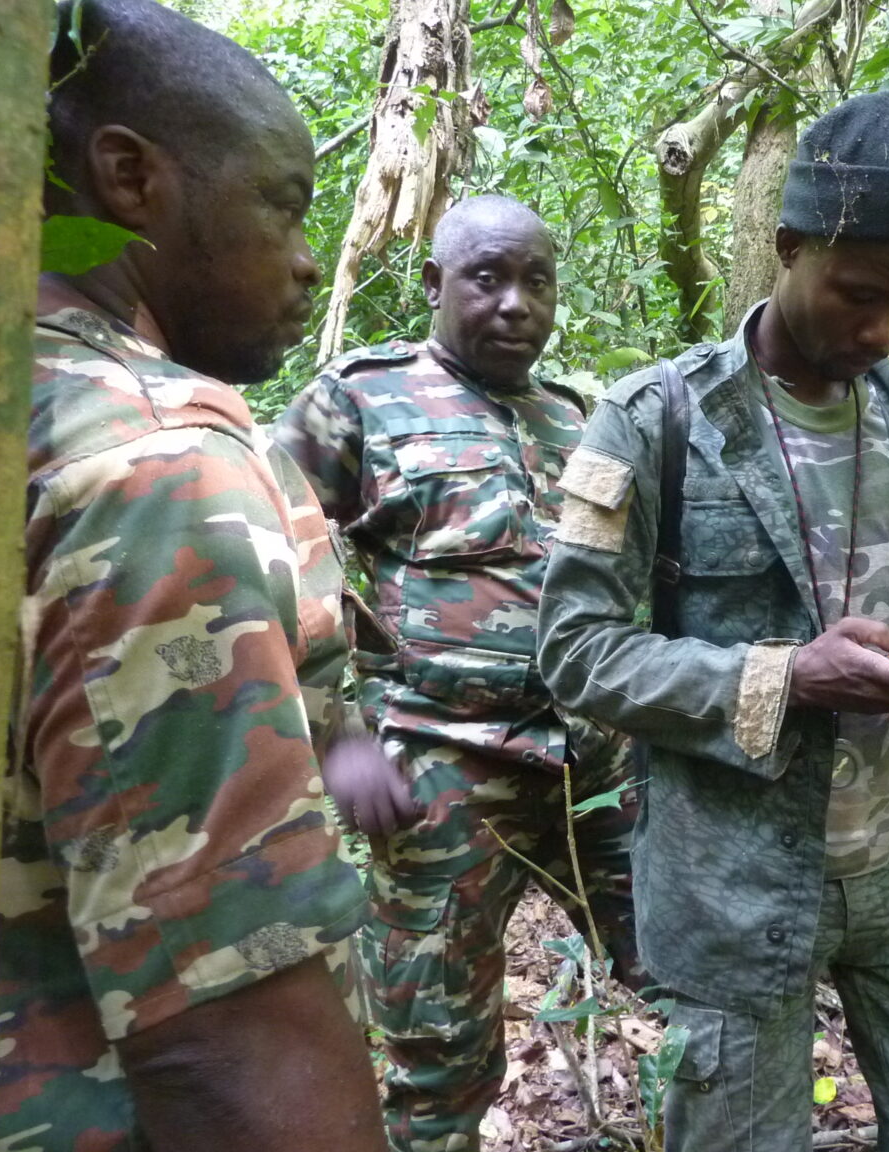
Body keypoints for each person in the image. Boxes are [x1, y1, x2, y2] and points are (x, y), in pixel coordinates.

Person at [536, 90, 889, 1152]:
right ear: (786, 244)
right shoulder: (655, 419)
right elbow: (574, 654)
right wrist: (786, 678)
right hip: (732, 887)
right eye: (858, 295)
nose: (881, 330)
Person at [0, 2, 386, 1150]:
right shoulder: (149, 463)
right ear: (130, 178)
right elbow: (230, 1035)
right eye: (286, 204)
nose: (310, 260)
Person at [275, 195, 641, 1152]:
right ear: (436, 284)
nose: (516, 303)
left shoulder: (579, 420)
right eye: (488, 277)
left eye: (536, 280)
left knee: (689, 977)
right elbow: (270, 549)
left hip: (597, 765)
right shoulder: (360, 396)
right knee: (435, 1048)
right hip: (444, 771)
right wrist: (340, 734)